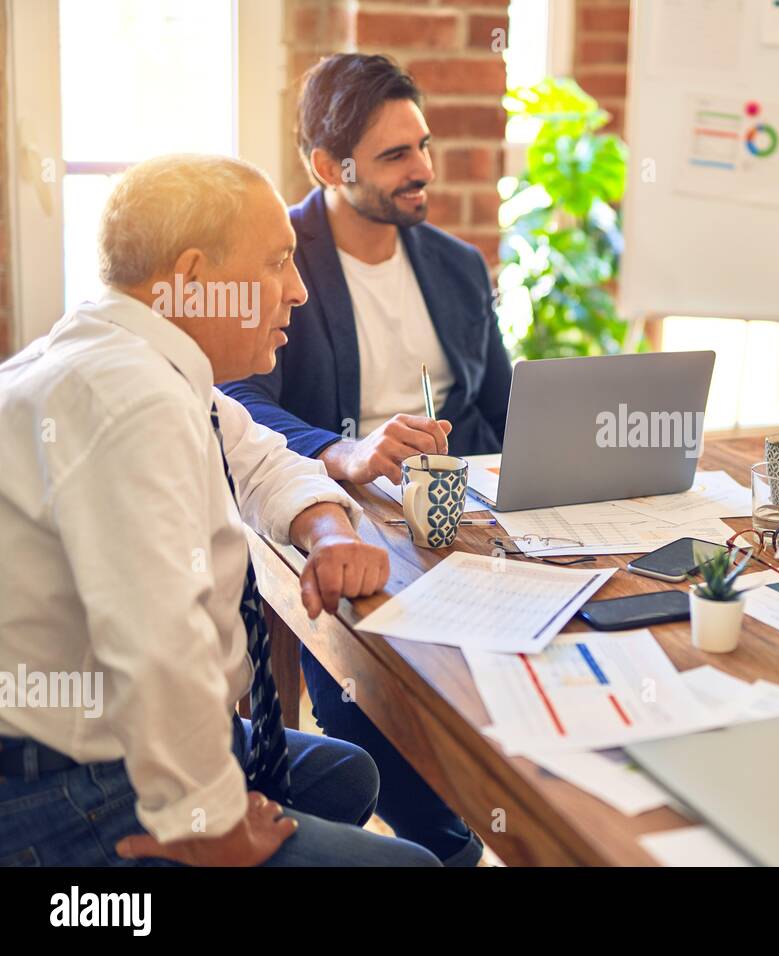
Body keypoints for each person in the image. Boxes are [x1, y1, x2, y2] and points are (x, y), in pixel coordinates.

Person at [0, 154, 438, 867]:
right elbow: (158, 643)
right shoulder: (130, 403)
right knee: (409, 866)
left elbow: (266, 461)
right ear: (193, 278)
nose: (297, 290)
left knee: (348, 774)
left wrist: (328, 533)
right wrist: (210, 822)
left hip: (108, 730)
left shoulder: (140, 363)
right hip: (72, 782)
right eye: (277, 263)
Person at [219, 53, 508, 866]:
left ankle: (506, 794)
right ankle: (449, 845)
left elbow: (500, 406)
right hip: (336, 507)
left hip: (457, 511)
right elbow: (234, 399)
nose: (423, 170)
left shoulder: (456, 266)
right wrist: (344, 453)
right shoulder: (279, 255)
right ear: (328, 166)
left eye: (424, 145)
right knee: (370, 671)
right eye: (395, 155)